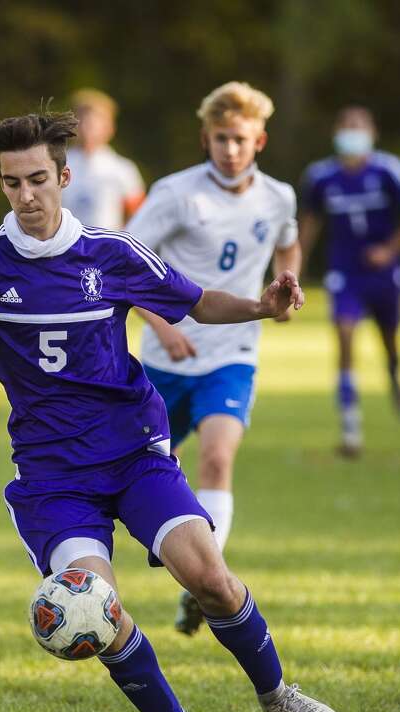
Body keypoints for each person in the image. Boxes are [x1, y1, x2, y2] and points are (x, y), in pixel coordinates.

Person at [0, 109, 343, 712]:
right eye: (12, 183)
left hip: (133, 453)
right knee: (92, 608)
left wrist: (262, 307)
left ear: (65, 176)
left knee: (209, 576)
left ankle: (278, 693)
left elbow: (193, 299)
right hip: (52, 477)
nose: (26, 195)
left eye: (38, 179)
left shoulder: (109, 253)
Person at [122, 82, 300, 636]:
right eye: (221, 138)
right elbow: (124, 262)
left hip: (233, 353)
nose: (230, 149)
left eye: (240, 139)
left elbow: (288, 242)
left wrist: (287, 286)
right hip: (165, 361)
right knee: (134, 473)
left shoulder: (278, 197)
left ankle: (207, 586)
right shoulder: (176, 193)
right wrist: (162, 325)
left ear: (259, 141)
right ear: (206, 138)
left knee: (218, 461)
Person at [298, 106, 400, 457]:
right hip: (345, 272)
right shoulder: (321, 176)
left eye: (358, 126)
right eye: (345, 125)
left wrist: (390, 250)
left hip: (384, 273)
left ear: (373, 132)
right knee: (344, 333)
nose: (351, 132)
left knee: (389, 339)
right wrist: (297, 268)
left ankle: (395, 378)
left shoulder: (389, 169)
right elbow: (309, 222)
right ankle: (350, 426)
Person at [61, 88, 146, 230]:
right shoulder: (58, 165)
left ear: (110, 127)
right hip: (65, 248)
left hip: (107, 248)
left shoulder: (123, 168)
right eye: (83, 121)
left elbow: (139, 215)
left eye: (95, 123)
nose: (88, 128)